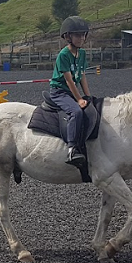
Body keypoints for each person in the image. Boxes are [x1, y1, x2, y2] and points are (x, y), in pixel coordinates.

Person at [48, 16, 92, 167]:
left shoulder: (83, 54)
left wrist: (87, 96)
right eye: (77, 35)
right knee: (76, 112)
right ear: (68, 36)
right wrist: (79, 100)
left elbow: (82, 76)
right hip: (59, 91)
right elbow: (69, 80)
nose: (81, 38)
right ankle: (72, 149)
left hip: (71, 92)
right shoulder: (63, 55)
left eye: (83, 35)